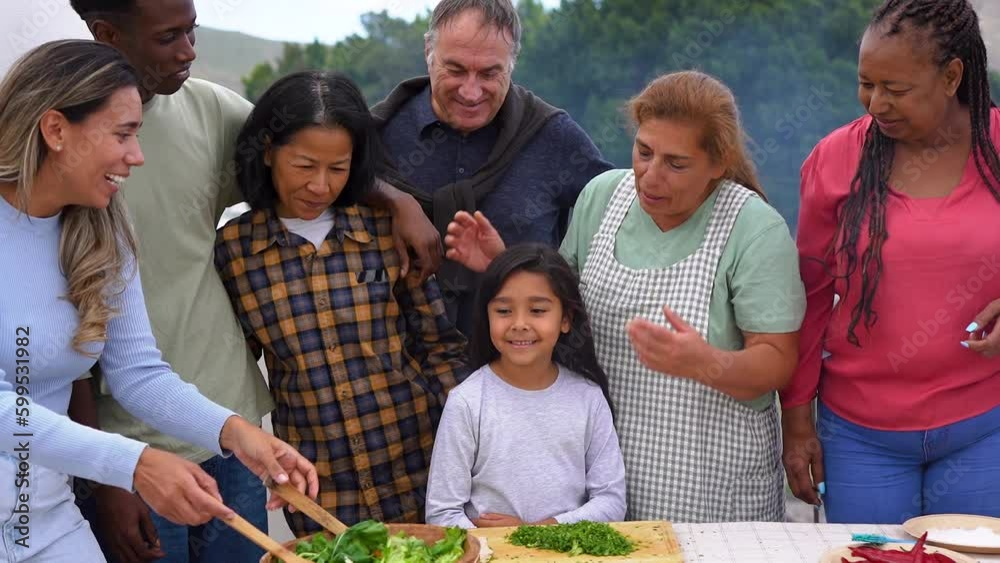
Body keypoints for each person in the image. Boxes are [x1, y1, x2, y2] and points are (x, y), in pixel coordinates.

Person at [66, 2, 440, 561]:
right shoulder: (66, 158)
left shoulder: (208, 109)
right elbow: (57, 341)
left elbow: (313, 142)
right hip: (129, 441)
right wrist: (104, 477)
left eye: (192, 30)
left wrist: (397, 199)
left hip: (235, 428)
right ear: (106, 34)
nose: (191, 50)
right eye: (170, 36)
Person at [0, 39, 318, 563]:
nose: (137, 156)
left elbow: (139, 373)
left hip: (45, 519)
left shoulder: (105, 227)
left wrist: (238, 435)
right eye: (123, 134)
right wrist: (135, 463)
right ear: (56, 130)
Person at [445, 70, 805, 523]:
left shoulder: (755, 228)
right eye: (644, 151)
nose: (650, 176)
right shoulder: (601, 196)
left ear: (719, 162)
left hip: (710, 484)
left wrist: (703, 363)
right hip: (597, 487)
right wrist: (507, 269)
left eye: (676, 163)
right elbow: (560, 308)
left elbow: (777, 361)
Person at [214, 71, 467, 536]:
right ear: (268, 152)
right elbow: (236, 370)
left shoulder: (384, 231)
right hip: (320, 486)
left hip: (422, 465)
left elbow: (438, 347)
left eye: (338, 168)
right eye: (304, 166)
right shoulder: (235, 251)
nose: (320, 185)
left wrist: (470, 454)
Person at [781, 0, 1000, 524]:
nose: (876, 103)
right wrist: (797, 424)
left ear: (951, 77)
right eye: (866, 84)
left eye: (896, 89)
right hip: (860, 434)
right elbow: (807, 297)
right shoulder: (835, 160)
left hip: (984, 424)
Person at [371, 0, 614, 337]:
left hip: (520, 373)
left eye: (489, 73)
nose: (471, 92)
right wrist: (392, 196)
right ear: (429, 50)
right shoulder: (376, 135)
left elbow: (622, 215)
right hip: (399, 376)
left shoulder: (554, 136)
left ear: (513, 63)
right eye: (455, 70)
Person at [424, 244, 625, 528]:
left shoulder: (588, 398)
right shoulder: (467, 402)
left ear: (565, 318)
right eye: (504, 310)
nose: (519, 324)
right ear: (487, 315)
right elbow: (442, 513)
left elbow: (611, 500)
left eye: (537, 310)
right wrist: (496, 547)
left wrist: (538, 532)